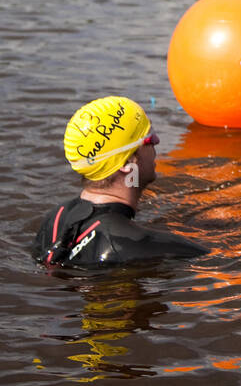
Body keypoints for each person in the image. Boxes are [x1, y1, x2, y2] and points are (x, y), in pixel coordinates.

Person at [33, 96, 207, 269]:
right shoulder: (139, 245)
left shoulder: (55, 217)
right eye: (149, 138)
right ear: (126, 164)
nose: (157, 141)